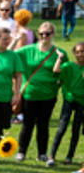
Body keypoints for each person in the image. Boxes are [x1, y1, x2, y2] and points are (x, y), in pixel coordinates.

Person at [14, 22, 64, 165]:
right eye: (41, 34)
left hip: (48, 95)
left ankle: (42, 153)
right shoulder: (27, 50)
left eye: (47, 34)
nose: (43, 36)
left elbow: (63, 73)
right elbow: (10, 55)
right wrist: (16, 40)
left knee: (43, 124)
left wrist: (56, 86)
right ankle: (21, 152)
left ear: (53, 34)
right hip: (29, 94)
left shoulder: (59, 53)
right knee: (27, 124)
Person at [52, 42, 84, 166]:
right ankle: (52, 156)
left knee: (76, 130)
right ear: (74, 53)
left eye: (82, 51)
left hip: (82, 102)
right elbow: (56, 70)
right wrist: (60, 57)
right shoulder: (69, 65)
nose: (80, 54)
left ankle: (69, 156)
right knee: (62, 127)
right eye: (78, 52)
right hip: (69, 100)